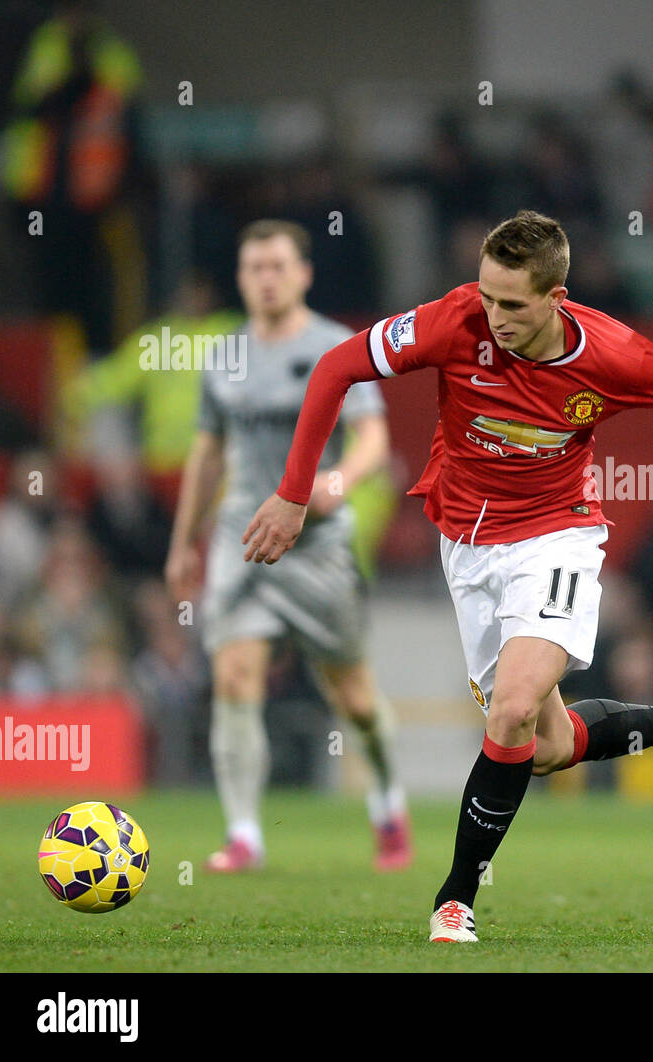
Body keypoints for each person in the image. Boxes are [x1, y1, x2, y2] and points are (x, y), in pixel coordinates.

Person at [242, 210, 653, 942]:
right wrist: (293, 493)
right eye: (487, 297)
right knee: (541, 747)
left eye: (513, 304)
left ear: (558, 296)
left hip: (555, 539)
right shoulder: (453, 321)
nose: (495, 318)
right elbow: (337, 367)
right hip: (466, 543)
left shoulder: (612, 356)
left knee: (509, 712)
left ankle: (455, 899)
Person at [165, 220, 408, 873]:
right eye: (253, 267)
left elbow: (373, 441)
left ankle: (387, 801)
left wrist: (339, 480)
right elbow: (208, 452)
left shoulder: (339, 348)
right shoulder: (224, 356)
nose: (265, 278)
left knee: (352, 696)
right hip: (243, 533)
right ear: (240, 278)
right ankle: (245, 833)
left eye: (277, 266)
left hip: (319, 540)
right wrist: (183, 540)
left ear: (303, 273)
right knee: (234, 675)